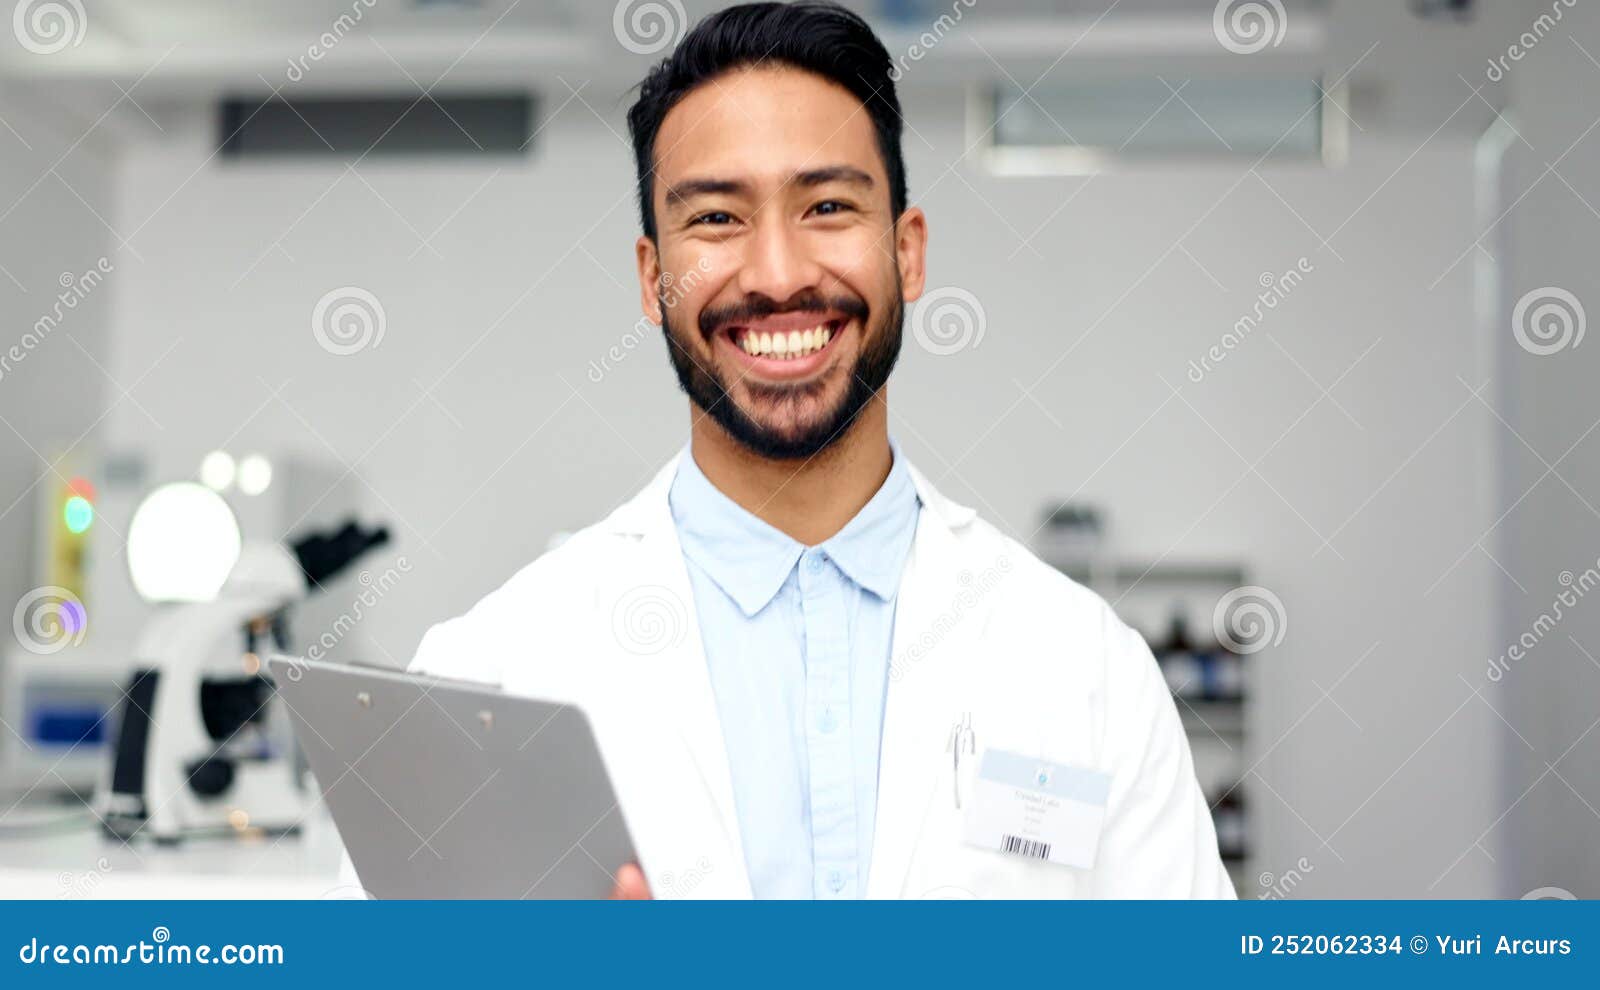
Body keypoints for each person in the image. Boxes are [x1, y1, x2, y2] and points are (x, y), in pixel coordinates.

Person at [396, 1, 1233, 899]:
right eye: (716, 219)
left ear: (908, 254)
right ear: (652, 280)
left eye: (828, 206)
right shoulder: (486, 673)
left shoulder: (1082, 666)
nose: (779, 274)